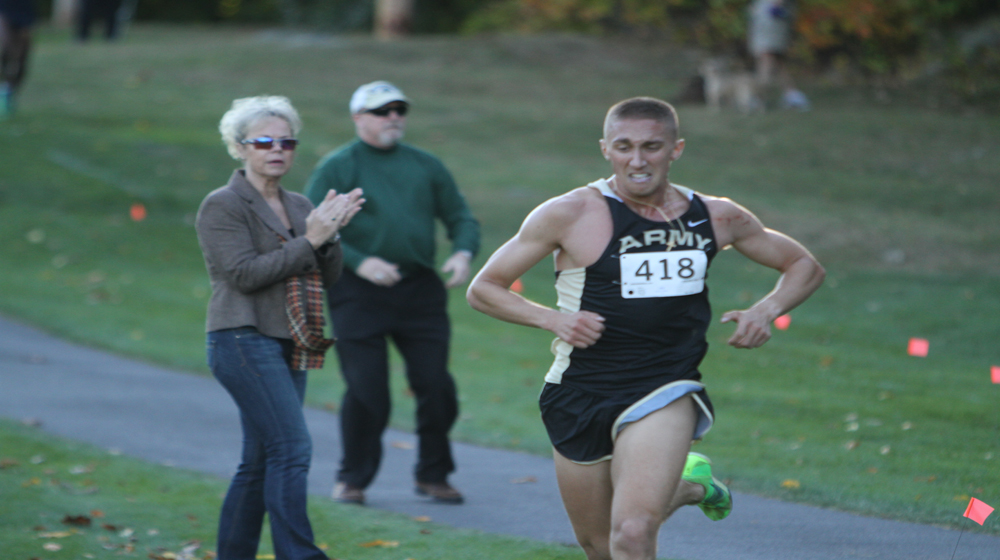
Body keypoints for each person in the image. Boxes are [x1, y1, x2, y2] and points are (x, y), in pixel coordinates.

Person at [467, 97, 825, 560]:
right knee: (600, 546)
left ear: (675, 149)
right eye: (624, 146)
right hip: (579, 388)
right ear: (605, 149)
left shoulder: (715, 215)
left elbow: (803, 265)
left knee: (633, 534)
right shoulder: (569, 213)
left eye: (652, 147)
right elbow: (484, 289)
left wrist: (766, 309)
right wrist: (552, 318)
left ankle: (668, 493)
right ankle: (691, 487)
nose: (638, 160)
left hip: (665, 384)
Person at [196, 96, 363, 560]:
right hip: (240, 338)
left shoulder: (300, 203)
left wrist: (329, 238)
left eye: (286, 141)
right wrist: (312, 238)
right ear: (239, 147)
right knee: (292, 448)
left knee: (260, 460)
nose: (277, 149)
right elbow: (245, 274)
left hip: (290, 339)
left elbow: (325, 275)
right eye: (264, 141)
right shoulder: (223, 205)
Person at [304, 81, 480, 506]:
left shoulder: (425, 164)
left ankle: (433, 474)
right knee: (369, 391)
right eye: (383, 111)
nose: (393, 117)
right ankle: (353, 479)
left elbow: (460, 217)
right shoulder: (339, 166)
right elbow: (311, 227)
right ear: (358, 118)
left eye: (399, 110)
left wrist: (461, 252)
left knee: (436, 385)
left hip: (419, 289)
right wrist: (360, 260)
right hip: (357, 289)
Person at [747, 0, 810, 110]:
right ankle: (792, 95)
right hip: (764, 17)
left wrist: (776, 5)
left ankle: (759, 97)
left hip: (772, 18)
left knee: (767, 59)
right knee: (777, 61)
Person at [0, 0, 34, 118]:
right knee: (6, 49)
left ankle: (8, 91)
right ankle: (4, 89)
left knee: (21, 58)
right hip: (4, 9)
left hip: (24, 12)